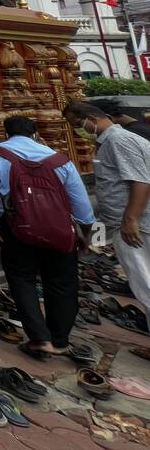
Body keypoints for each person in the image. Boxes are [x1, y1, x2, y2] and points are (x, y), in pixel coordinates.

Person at [0, 115, 95, 359]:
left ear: (6, 133)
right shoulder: (59, 159)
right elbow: (82, 204)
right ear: (35, 133)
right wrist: (84, 235)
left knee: (22, 279)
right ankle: (60, 340)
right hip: (59, 227)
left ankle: (40, 338)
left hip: (16, 225)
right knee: (62, 282)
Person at [63, 101, 150, 314]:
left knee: (144, 283)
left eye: (76, 123)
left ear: (91, 119)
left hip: (135, 225)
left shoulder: (118, 141)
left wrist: (130, 220)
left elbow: (140, 181)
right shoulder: (113, 141)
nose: (77, 130)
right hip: (132, 222)